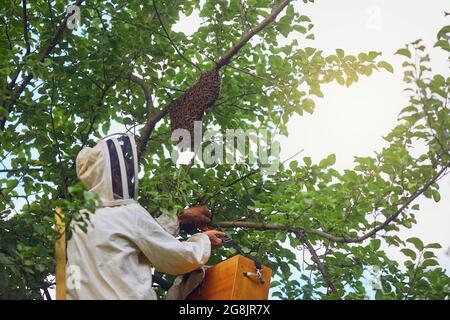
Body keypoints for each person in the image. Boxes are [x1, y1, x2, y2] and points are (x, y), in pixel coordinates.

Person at [66, 133, 224, 299]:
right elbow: (177, 256)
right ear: (113, 174)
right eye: (126, 172)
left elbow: (141, 238)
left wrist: (181, 217)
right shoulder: (127, 213)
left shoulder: (79, 223)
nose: (131, 179)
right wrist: (204, 240)